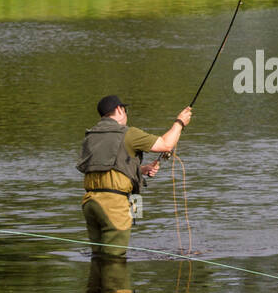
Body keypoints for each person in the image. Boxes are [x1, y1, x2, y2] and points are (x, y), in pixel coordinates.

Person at [77, 95, 192, 258]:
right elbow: (166, 144)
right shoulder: (129, 134)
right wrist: (180, 122)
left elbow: (106, 166)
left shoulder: (91, 136)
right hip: (114, 206)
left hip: (90, 204)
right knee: (113, 261)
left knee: (98, 258)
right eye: (125, 110)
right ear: (119, 110)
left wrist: (141, 169)